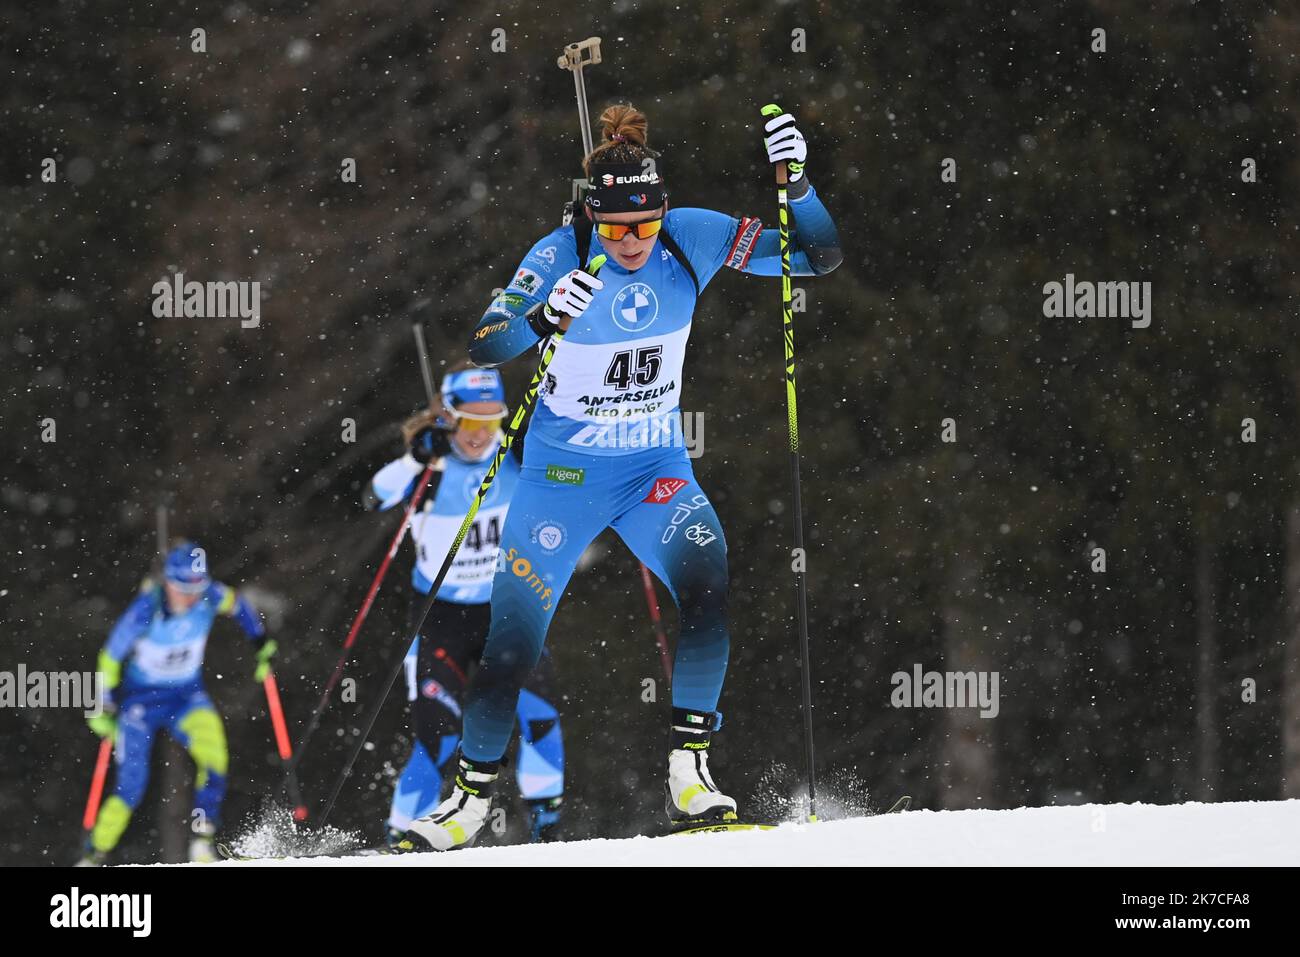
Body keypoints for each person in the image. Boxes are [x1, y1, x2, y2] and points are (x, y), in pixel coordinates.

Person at [400, 103, 840, 850]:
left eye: (643, 225)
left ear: (663, 209)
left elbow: (814, 257)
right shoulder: (558, 252)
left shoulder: (689, 236)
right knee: (509, 646)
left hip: (653, 471)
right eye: (613, 229)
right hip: (561, 481)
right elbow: (484, 342)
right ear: (589, 216)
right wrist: (540, 317)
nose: (631, 242)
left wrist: (796, 186)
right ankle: (466, 804)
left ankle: (690, 773)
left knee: (708, 590)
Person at [367, 363, 565, 844]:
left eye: (490, 422)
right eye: (469, 423)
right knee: (439, 739)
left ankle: (548, 833)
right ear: (448, 418)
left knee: (538, 712)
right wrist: (417, 458)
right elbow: (373, 497)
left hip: (507, 607)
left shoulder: (513, 456)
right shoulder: (429, 467)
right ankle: (397, 842)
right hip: (440, 620)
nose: (479, 435)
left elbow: (572, 476)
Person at [79, 542, 275, 864]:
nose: (192, 597)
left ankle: (202, 840)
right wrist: (101, 706)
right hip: (140, 703)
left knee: (214, 759)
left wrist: (260, 641)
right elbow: (110, 658)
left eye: (196, 588)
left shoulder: (209, 594)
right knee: (131, 787)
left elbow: (238, 605)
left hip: (185, 696)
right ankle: (94, 853)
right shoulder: (146, 610)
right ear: (168, 581)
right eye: (184, 589)